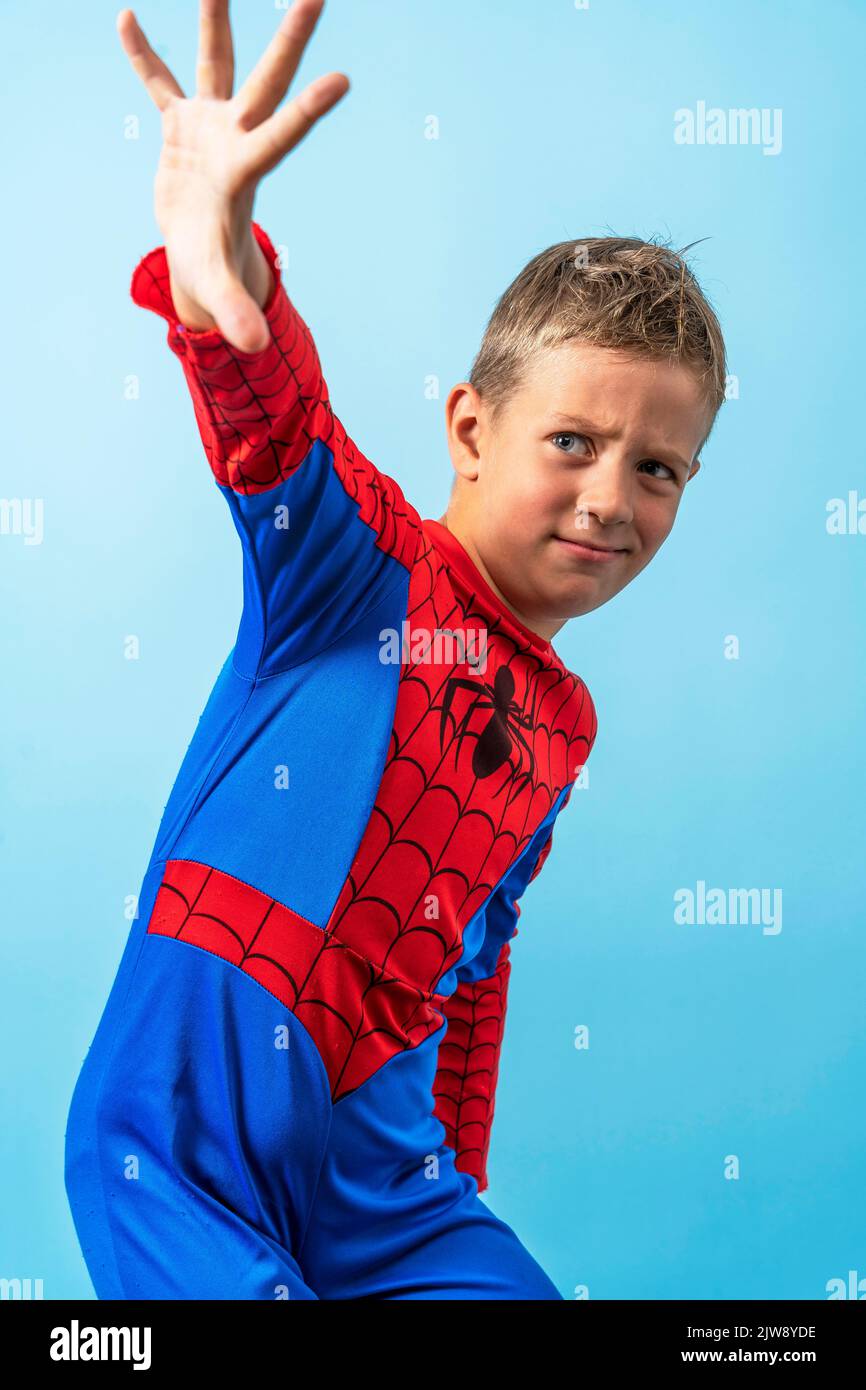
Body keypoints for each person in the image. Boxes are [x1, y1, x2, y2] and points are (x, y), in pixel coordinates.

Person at [65, 0, 726, 1300]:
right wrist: (219, 256)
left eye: (657, 469)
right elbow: (269, 412)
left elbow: (466, 972)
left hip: (385, 1179)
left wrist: (454, 1195)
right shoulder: (355, 567)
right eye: (572, 444)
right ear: (471, 430)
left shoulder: (562, 725)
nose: (609, 499)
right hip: (187, 1139)